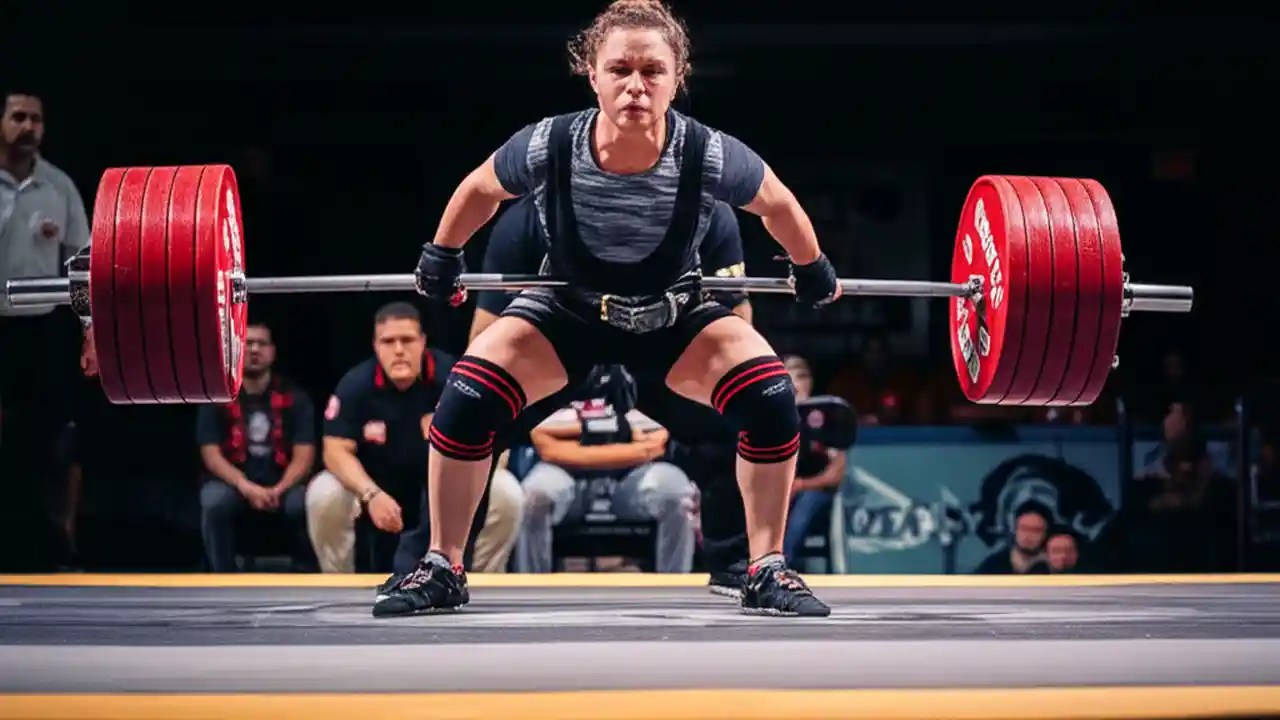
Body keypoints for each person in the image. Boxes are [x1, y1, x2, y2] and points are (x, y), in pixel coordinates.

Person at [379, 0, 840, 618]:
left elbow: (777, 203)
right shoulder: (550, 143)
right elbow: (480, 188)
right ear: (591, 74)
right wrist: (442, 253)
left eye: (652, 70)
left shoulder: (706, 153)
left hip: (669, 318)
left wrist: (810, 267)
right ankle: (440, 565)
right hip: (567, 316)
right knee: (467, 395)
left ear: (678, 78)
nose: (635, 85)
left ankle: (765, 567)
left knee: (770, 393)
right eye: (619, 68)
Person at [471, 192, 752, 594]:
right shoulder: (528, 217)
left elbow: (737, 322)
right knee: (470, 412)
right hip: (561, 351)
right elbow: (483, 335)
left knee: (739, 409)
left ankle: (737, 563)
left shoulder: (708, 212)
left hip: (659, 352)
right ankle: (441, 561)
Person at [305, 302, 499, 584]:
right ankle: (338, 581)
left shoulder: (453, 377)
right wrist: (370, 494)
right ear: (375, 345)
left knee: (506, 494)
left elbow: (490, 436)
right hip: (376, 483)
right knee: (324, 492)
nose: (398, 350)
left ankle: (479, 579)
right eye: (388, 341)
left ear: (422, 342)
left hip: (439, 480)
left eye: (407, 340)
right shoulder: (356, 384)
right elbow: (335, 450)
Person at [0, 88, 94, 571]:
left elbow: (83, 261)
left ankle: (51, 550)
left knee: (46, 444)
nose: (28, 127)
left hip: (37, 333)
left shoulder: (58, 187)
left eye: (36, 119)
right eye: (18, 117)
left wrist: (90, 325)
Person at [517, 363, 697, 574]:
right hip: (563, 472)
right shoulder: (557, 364)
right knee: (535, 495)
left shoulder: (645, 365)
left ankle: (673, 588)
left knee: (675, 491)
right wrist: (629, 440)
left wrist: (580, 440)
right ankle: (535, 587)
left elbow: (656, 443)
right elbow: (546, 445)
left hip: (634, 475)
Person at [196, 321, 317, 572]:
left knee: (305, 501)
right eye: (247, 343)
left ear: (272, 351)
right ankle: (222, 576)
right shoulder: (216, 395)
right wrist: (246, 487)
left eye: (261, 343)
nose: (254, 349)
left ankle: (307, 573)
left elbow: (305, 454)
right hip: (234, 482)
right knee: (214, 500)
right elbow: (211, 454)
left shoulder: (295, 396)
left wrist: (280, 488)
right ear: (235, 350)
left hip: (282, 483)